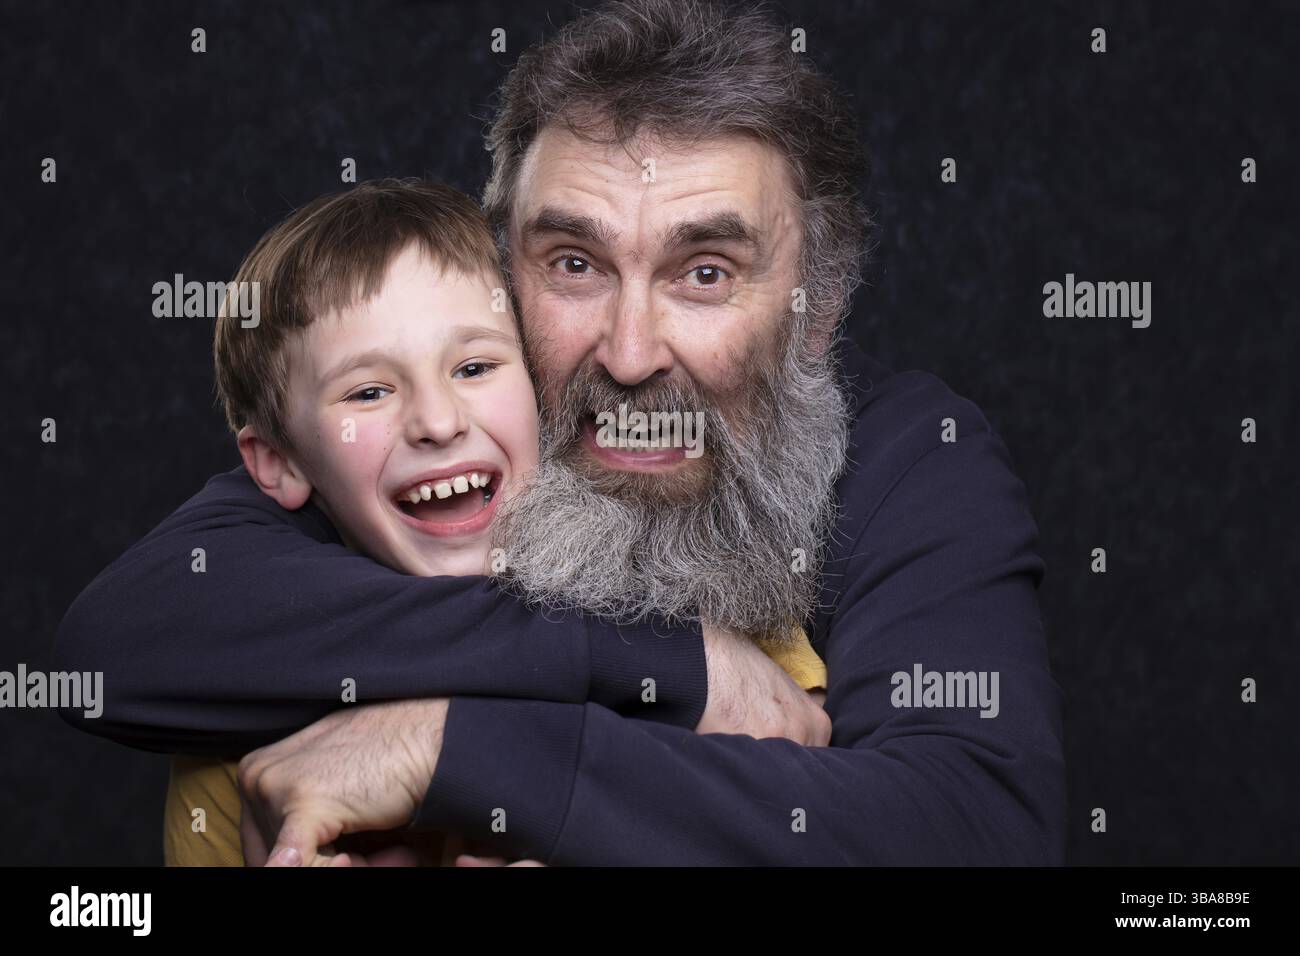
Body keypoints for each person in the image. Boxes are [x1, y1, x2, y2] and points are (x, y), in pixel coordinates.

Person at [56, 0, 1065, 865]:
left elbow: (970, 826)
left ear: (819, 303)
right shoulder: (452, 434)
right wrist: (662, 660)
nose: (627, 353)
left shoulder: (906, 454)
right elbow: (123, 639)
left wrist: (448, 750)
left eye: (703, 272)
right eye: (573, 264)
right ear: (500, 281)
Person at [155, 177, 829, 866]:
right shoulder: (238, 745)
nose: (439, 422)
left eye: (475, 366)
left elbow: (811, 817)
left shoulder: (705, 601)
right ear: (279, 462)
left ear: (540, 385)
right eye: (368, 391)